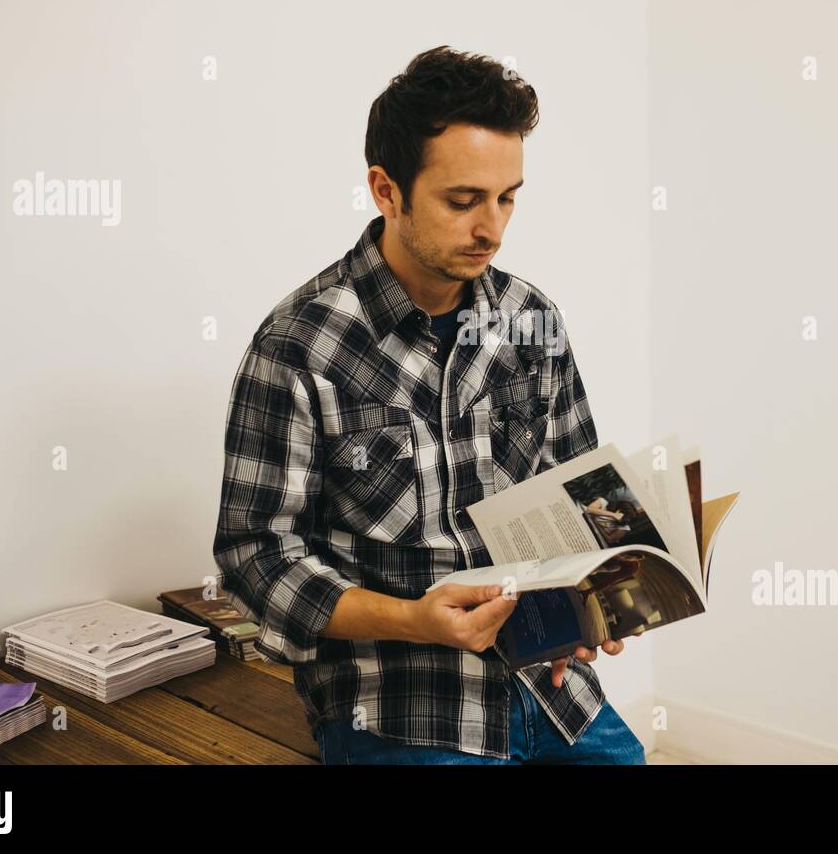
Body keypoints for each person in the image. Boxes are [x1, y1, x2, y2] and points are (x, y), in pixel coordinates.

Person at [212, 46, 644, 764]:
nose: (493, 228)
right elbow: (255, 558)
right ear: (386, 190)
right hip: (402, 703)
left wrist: (599, 596)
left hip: (549, 684)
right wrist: (415, 621)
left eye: (508, 197)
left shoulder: (531, 319)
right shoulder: (298, 346)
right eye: (463, 200)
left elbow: (582, 496)